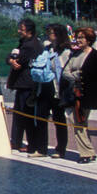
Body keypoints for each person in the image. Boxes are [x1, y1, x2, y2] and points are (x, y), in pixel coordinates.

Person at [64, 27, 97, 165]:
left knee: (79, 121)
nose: (79, 40)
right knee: (77, 121)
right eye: (78, 37)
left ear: (89, 39)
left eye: (82, 37)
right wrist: (76, 76)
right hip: (75, 92)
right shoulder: (75, 54)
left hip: (87, 93)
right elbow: (66, 71)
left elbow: (94, 76)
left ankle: (86, 153)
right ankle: (88, 150)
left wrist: (77, 75)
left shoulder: (96, 56)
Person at [7, 18, 44, 155]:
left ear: (29, 30)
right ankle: (16, 140)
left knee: (26, 115)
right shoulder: (25, 42)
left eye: (21, 29)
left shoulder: (31, 45)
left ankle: (31, 143)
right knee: (19, 114)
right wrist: (11, 60)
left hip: (27, 84)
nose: (18, 31)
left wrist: (12, 60)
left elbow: (18, 59)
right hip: (23, 84)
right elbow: (11, 57)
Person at [37, 24, 68, 158]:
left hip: (58, 88)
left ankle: (60, 149)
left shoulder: (65, 52)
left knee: (59, 119)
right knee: (41, 117)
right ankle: (42, 148)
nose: (48, 35)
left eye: (50, 33)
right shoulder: (46, 49)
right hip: (45, 87)